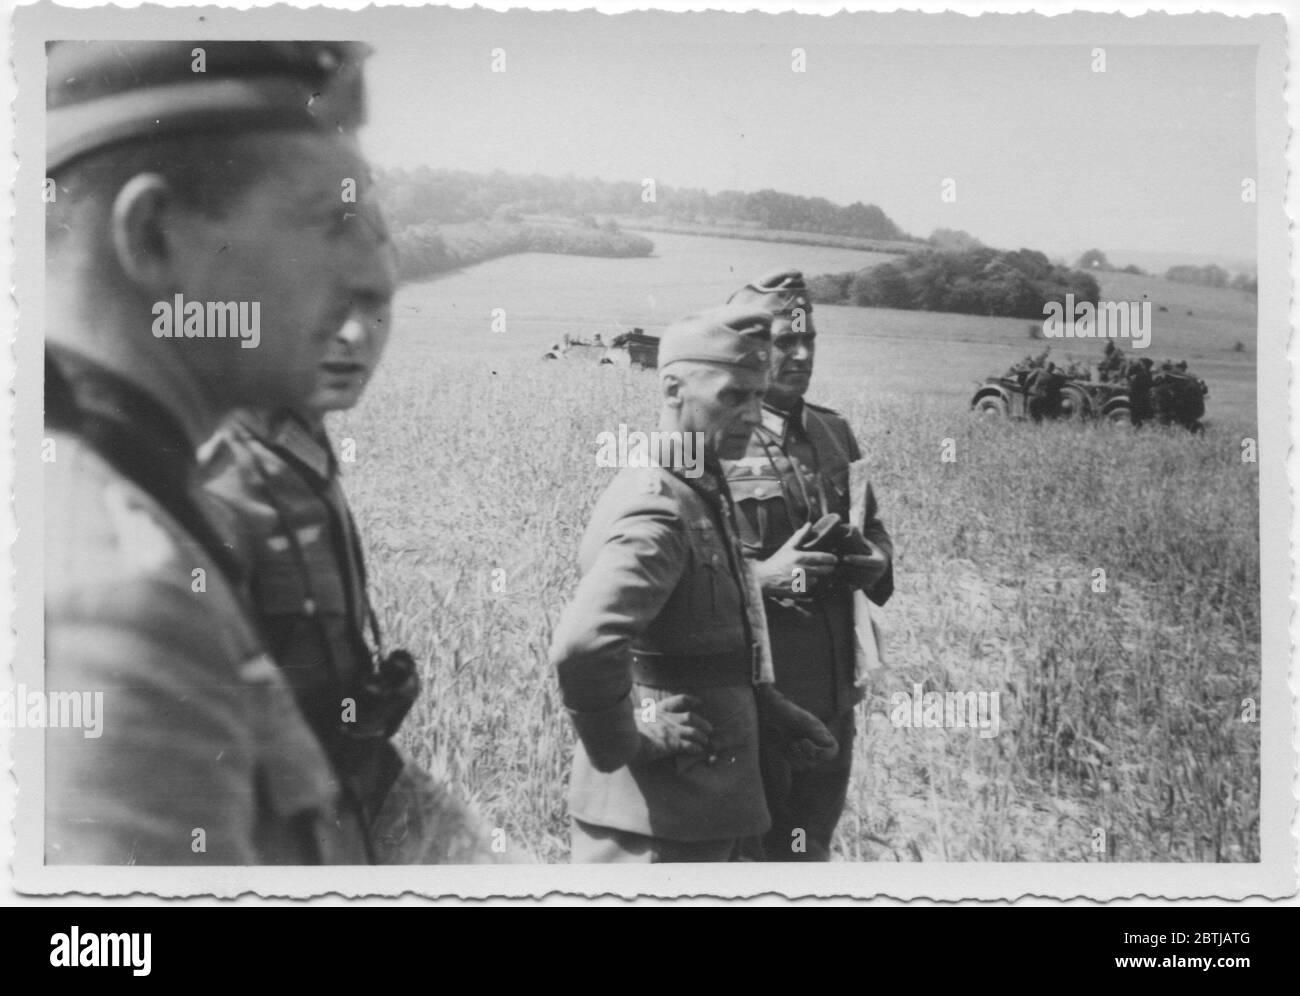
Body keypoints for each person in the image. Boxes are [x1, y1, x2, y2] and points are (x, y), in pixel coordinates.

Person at [43, 41, 389, 863]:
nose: (375, 272)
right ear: (156, 236)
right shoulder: (114, 594)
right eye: (332, 222)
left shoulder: (123, 495)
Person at [200, 278, 498, 864]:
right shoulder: (214, 471)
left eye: (375, 305)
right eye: (325, 304)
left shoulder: (300, 445)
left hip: (345, 800)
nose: (356, 335)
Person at [549, 307, 840, 862]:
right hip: (659, 819)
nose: (754, 415)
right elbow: (583, 647)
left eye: (759, 395)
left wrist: (769, 708)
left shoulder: (700, 488)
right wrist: (633, 738)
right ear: (673, 389)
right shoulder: (657, 505)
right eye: (734, 397)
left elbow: (702, 638)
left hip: (707, 805)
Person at [722, 271, 894, 861]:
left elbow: (874, 532)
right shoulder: (714, 439)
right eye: (781, 341)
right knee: (745, 860)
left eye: (809, 340)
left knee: (807, 852)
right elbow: (681, 580)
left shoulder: (834, 432)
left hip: (833, 692)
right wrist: (763, 578)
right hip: (754, 702)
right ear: (748, 347)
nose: (799, 355)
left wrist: (873, 561)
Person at [1126, 357, 1154, 427]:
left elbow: (1133, 386)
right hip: (1142, 399)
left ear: (1145, 365)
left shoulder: (1141, 376)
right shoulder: (1148, 374)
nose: (1141, 365)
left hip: (1137, 400)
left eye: (1142, 364)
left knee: (1135, 418)